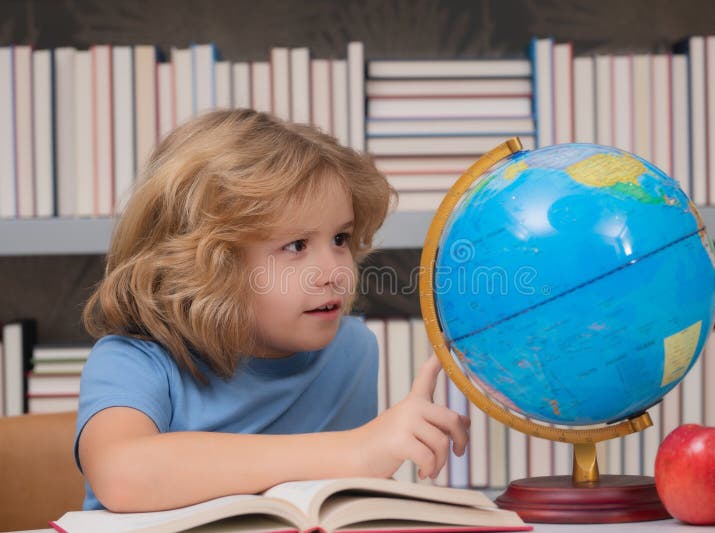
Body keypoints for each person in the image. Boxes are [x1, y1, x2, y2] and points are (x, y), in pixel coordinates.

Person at [77, 109, 470, 512]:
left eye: (340, 238)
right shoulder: (134, 362)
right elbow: (122, 476)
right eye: (296, 245)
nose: (335, 272)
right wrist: (357, 450)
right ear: (207, 263)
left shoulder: (352, 352)